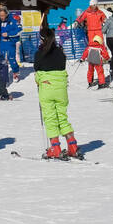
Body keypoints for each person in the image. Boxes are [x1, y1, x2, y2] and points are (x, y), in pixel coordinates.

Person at [33, 25, 81, 159]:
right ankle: (72, 146)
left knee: (50, 119)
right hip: (61, 90)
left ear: (42, 39)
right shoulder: (60, 53)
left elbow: (37, 71)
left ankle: (55, 148)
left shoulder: (39, 53)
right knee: (62, 118)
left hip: (46, 89)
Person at [0, 6, 22, 82]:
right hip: (2, 43)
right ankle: (3, 76)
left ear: (6, 14)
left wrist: (8, 34)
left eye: (3, 15)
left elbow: (19, 31)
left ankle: (15, 72)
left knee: (11, 58)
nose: (2, 17)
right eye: (0, 15)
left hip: (10, 42)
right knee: (1, 60)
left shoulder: (13, 21)